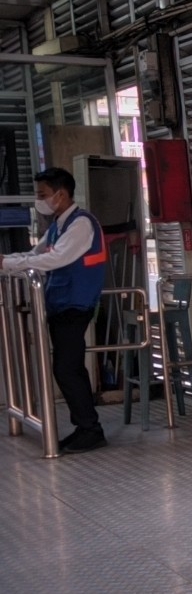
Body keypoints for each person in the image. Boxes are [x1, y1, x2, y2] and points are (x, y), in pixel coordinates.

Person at [0, 167, 108, 453]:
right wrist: (6, 261)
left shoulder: (81, 224)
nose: (39, 200)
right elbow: (36, 255)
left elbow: (56, 259)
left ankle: (90, 429)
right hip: (61, 303)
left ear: (60, 194)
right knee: (68, 367)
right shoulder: (59, 225)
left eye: (42, 195)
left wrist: (8, 264)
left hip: (77, 303)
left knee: (66, 368)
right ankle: (85, 427)